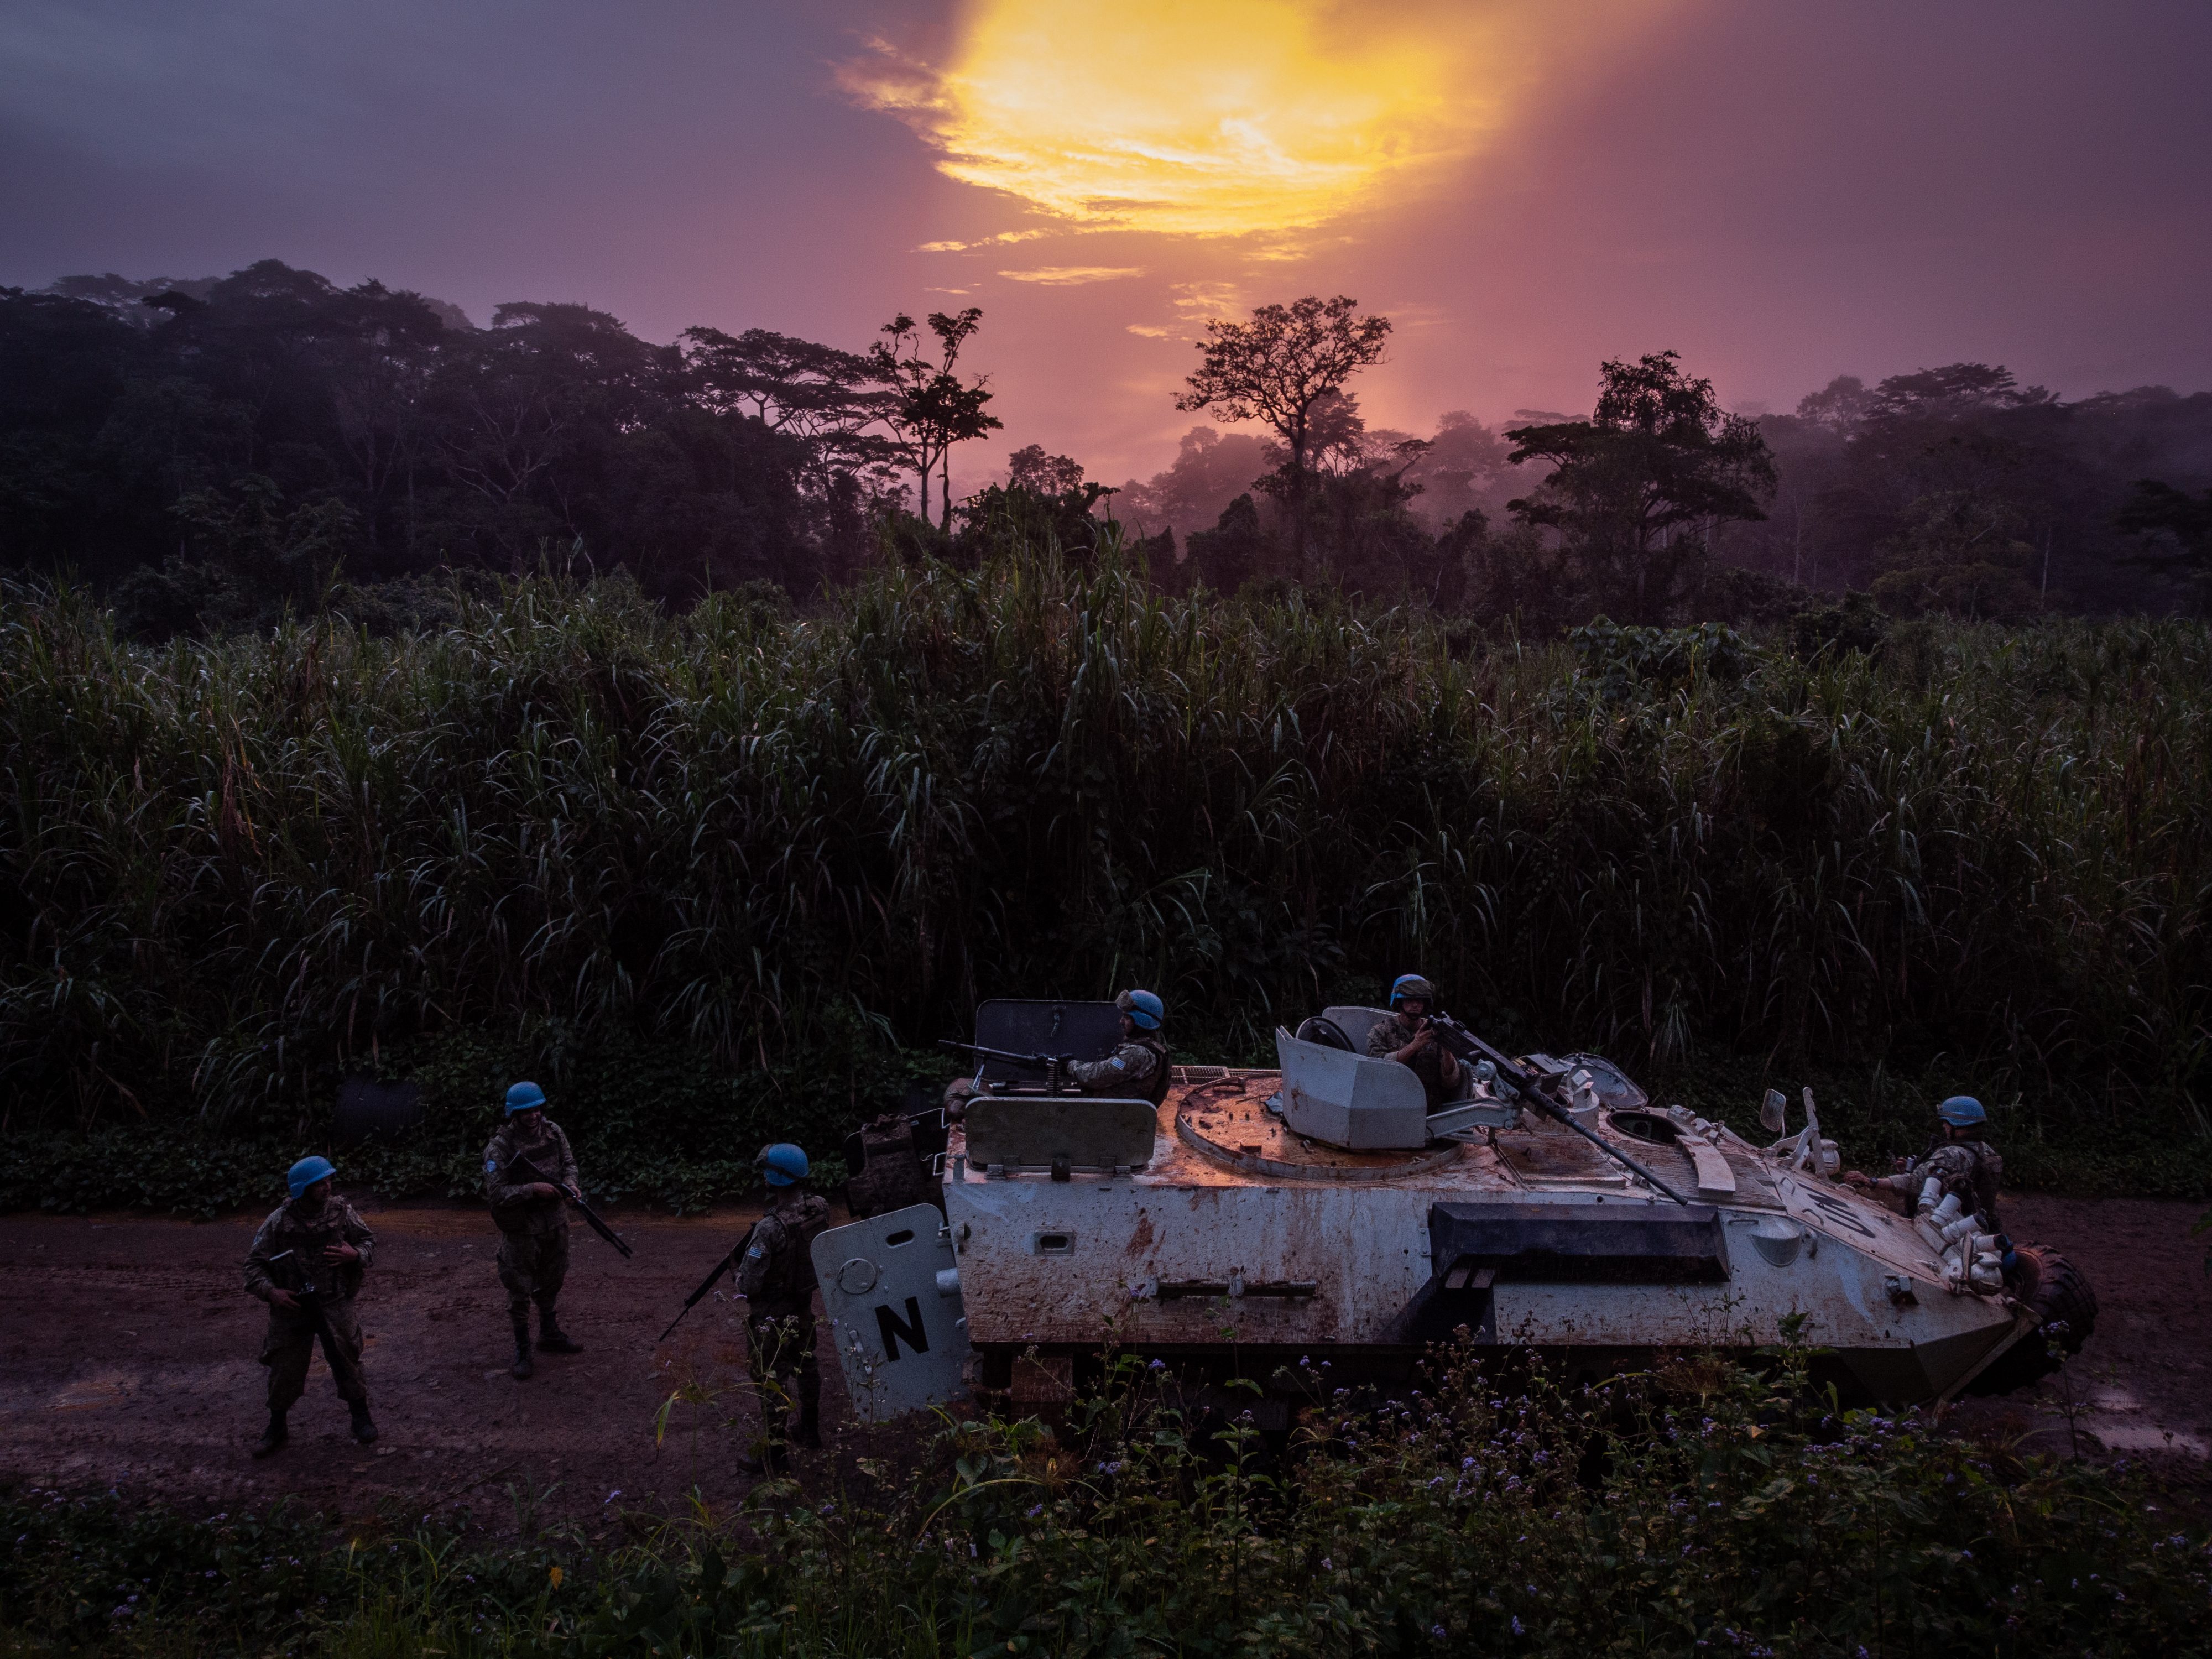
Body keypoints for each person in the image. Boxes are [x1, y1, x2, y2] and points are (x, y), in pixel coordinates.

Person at [242, 1155, 378, 1457]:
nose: (328, 1187)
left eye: (330, 1181)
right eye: (320, 1184)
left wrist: (353, 1255)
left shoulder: (343, 1213)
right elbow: (252, 1268)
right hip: (292, 1307)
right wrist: (272, 1292)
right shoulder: (278, 1222)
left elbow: (370, 1243)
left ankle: (361, 1416)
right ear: (303, 1189)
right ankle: (276, 1426)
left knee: (347, 1361)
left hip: (334, 1303)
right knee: (284, 1368)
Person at [735, 1142, 831, 1473]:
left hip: (771, 1317)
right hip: (803, 1307)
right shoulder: (819, 1208)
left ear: (773, 1179)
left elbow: (748, 1284)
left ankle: (775, 1456)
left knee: (770, 1378)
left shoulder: (768, 1229)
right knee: (807, 1365)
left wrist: (738, 1276)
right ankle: (810, 1430)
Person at [483, 1081, 586, 1381]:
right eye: (526, 1111)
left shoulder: (554, 1132)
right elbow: (497, 1193)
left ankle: (549, 1332)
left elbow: (569, 1163)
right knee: (519, 1288)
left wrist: (571, 1184)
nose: (533, 1116)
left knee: (553, 1278)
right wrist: (532, 1190)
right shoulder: (500, 1148)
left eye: (537, 1109)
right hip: (522, 1230)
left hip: (555, 1222)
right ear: (513, 1113)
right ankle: (522, 1347)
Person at [1844, 1095, 2005, 1225]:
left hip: (1940, 1225)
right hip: (1975, 1224)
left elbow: (1914, 1182)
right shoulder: (1986, 1151)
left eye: (1947, 1122)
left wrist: (1871, 1181)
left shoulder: (1953, 1154)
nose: (1944, 1126)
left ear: (1958, 1125)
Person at [1365, 975, 1463, 1112]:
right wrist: (1414, 1046)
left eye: (1420, 1000)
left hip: (1429, 1112)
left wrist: (1447, 1049)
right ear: (1399, 1002)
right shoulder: (1381, 1032)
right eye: (1410, 1000)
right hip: (1387, 1108)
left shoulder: (1434, 1032)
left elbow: (1451, 1083)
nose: (1416, 1005)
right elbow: (1377, 1070)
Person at [1067, 989, 1170, 1102]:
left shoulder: (1137, 1053)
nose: (1121, 1021)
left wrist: (1071, 1066)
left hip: (1114, 1115)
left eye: (1126, 1017)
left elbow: (1098, 1076)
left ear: (1141, 1020)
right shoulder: (1152, 1048)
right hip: (1120, 1113)